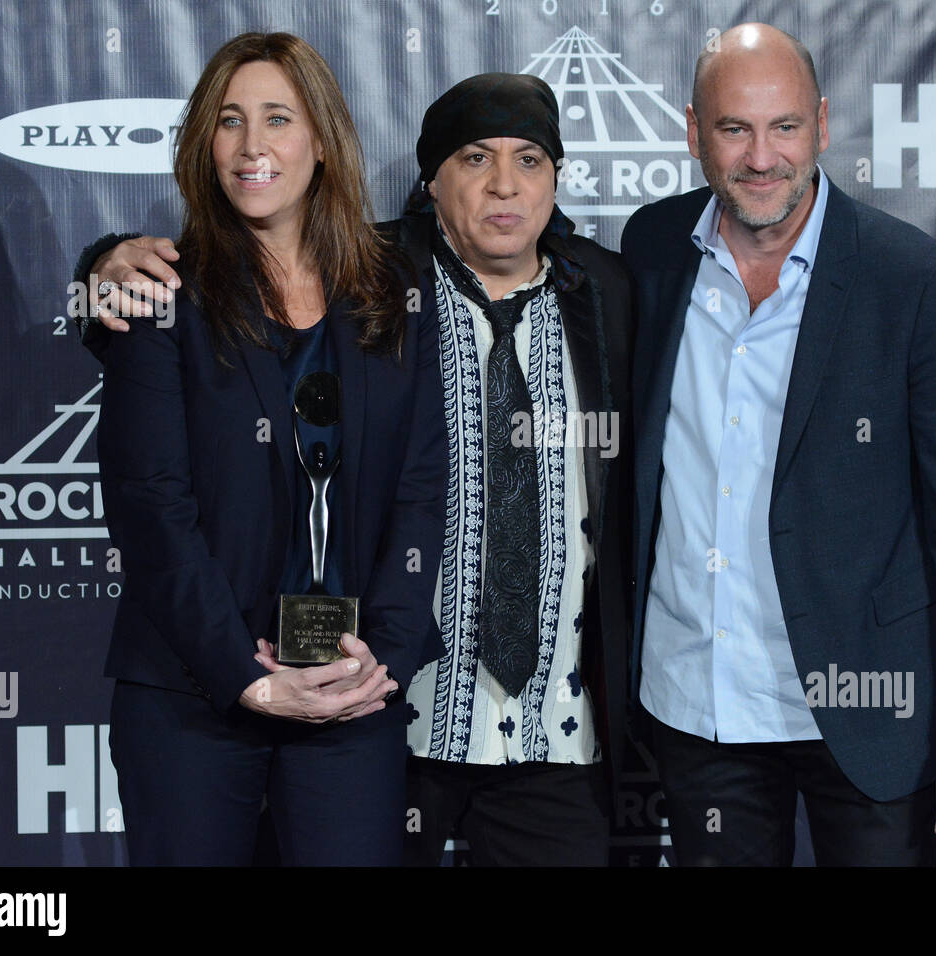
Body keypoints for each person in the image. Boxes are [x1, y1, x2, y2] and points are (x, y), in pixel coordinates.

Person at [75, 72, 632, 867]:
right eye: (475, 158)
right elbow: (150, 494)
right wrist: (101, 266)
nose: (505, 184)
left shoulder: (604, 290)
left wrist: (385, 660)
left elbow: (422, 488)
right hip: (355, 713)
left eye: (530, 160)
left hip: (508, 718)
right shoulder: (376, 275)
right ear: (429, 181)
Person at [622, 24, 936, 866]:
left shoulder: (912, 281)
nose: (762, 157)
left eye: (785, 127)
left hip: (868, 703)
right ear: (694, 132)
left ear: (824, 126)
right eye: (735, 129)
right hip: (699, 704)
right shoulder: (652, 249)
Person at [86, 32, 446, 865]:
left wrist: (380, 661)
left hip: (351, 698)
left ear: (319, 140)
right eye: (229, 121)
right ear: (202, 143)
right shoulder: (160, 292)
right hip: (190, 701)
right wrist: (246, 677)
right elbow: (152, 511)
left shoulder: (390, 293)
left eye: (278, 119)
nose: (252, 147)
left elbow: (423, 490)